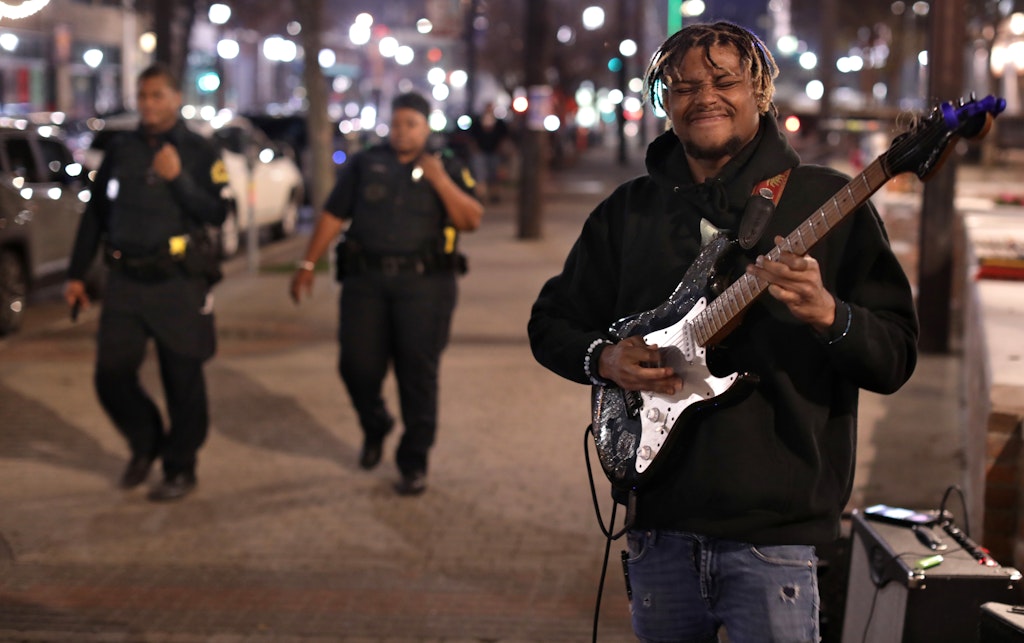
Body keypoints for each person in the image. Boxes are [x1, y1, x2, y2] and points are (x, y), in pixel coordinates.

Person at [528, 22, 918, 642]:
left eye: (723, 80)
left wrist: (829, 313)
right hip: (657, 527)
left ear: (759, 91)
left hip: (775, 540)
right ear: (665, 102)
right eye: (684, 86)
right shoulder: (629, 211)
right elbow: (549, 324)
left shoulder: (828, 203)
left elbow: (894, 359)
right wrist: (603, 358)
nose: (703, 96)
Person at [290, 92, 483, 496]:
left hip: (425, 287)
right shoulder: (366, 163)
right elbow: (333, 214)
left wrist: (439, 179)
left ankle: (414, 462)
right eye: (396, 123)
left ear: (426, 127)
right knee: (356, 367)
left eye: (411, 124)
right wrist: (307, 264)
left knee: (417, 376)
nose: (402, 131)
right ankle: (375, 423)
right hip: (366, 283)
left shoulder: (447, 165)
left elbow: (471, 220)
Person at [64, 63, 229, 502]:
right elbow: (96, 215)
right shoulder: (122, 149)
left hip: (177, 281)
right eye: (142, 95)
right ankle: (146, 440)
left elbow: (217, 213)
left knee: (183, 380)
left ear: (176, 98)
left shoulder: (198, 150)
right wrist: (77, 274)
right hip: (125, 281)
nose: (148, 104)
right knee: (111, 375)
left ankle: (181, 466)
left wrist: (179, 179)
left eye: (157, 95)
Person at [467, 102, 510, 203]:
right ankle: (481, 195)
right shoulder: (477, 122)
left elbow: (504, 136)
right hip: (480, 152)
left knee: (495, 174)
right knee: (480, 174)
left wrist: (500, 148)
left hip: (495, 152)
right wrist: (475, 149)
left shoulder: (499, 123)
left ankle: (494, 194)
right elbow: (471, 137)